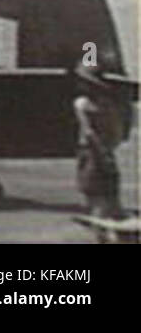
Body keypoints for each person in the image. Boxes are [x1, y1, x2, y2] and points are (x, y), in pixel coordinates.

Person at [72, 64, 125, 223]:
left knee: (93, 188)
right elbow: (117, 130)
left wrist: (101, 149)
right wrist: (109, 148)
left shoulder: (82, 103)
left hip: (91, 150)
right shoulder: (107, 103)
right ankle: (110, 215)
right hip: (105, 148)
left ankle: (100, 220)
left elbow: (88, 131)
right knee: (107, 186)